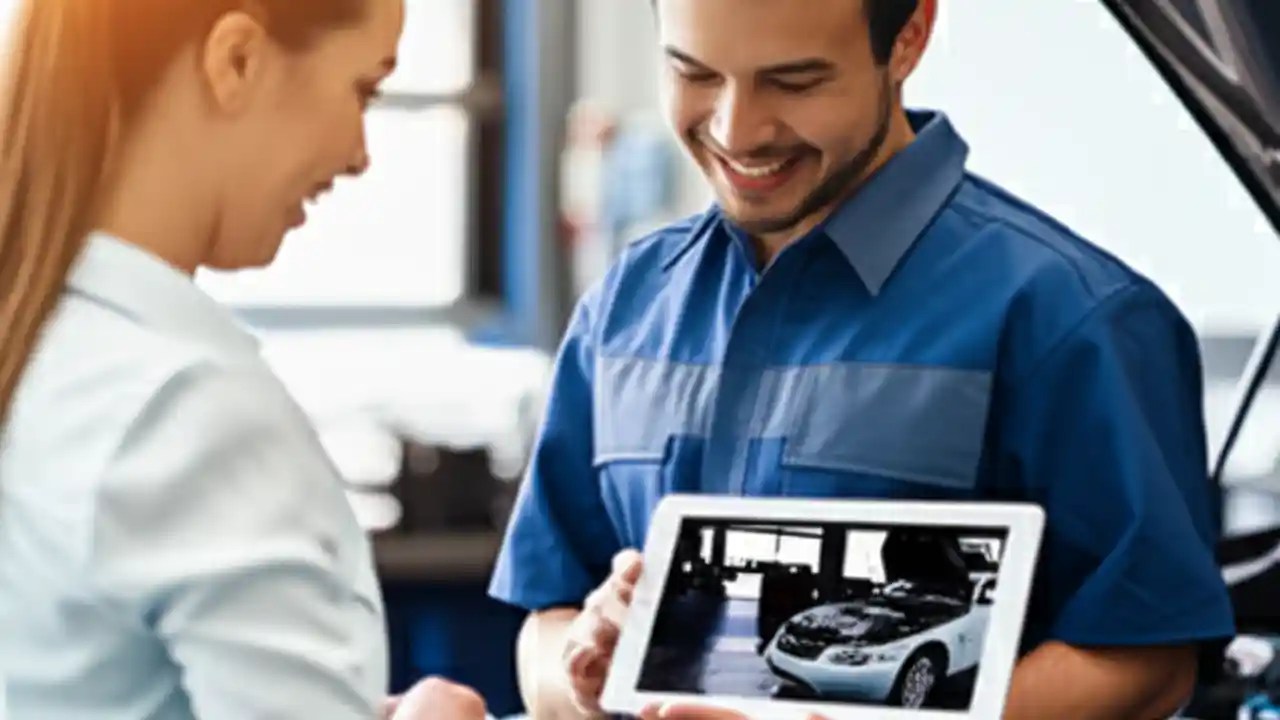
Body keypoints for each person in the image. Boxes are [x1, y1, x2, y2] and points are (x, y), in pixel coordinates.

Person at [487, 0, 1236, 718]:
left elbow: (1145, 664)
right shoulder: (625, 306)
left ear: (908, 37)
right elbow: (545, 629)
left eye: (794, 81)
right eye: (695, 73)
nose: (736, 129)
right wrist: (581, 676)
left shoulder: (1075, 320)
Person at [0, 2, 485, 719]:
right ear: (236, 60)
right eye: (362, 89)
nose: (360, 154)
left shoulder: (46, 343)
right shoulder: (185, 407)